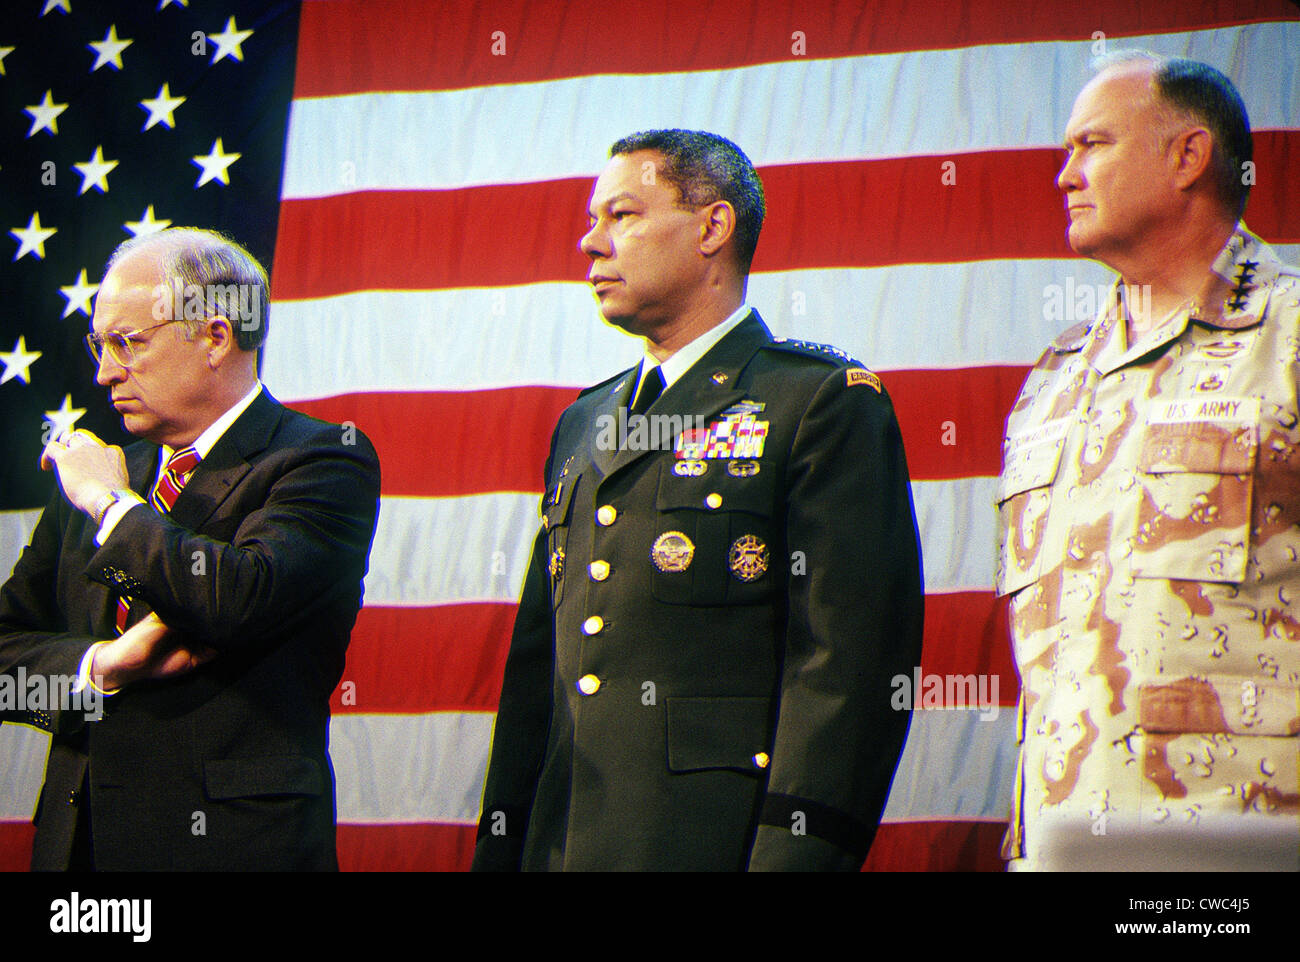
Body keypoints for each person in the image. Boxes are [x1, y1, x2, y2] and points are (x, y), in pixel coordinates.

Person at [471, 129, 923, 871]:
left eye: (621, 215)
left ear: (713, 227)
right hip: (564, 843)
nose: (591, 243)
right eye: (593, 221)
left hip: (715, 843)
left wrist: (794, 859)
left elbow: (848, 669)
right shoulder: (584, 422)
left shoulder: (815, 402)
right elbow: (538, 672)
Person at [997, 53, 1300, 870]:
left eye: (1092, 144)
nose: (1066, 175)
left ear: (1189, 157)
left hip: (1241, 848)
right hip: (1066, 842)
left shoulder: (1291, 337)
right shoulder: (1054, 381)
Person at [0, 228, 381, 870]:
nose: (104, 371)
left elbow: (238, 597)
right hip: (79, 852)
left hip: (232, 850)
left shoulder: (320, 459)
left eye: (129, 343)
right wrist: (100, 667)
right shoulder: (106, 467)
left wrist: (112, 507)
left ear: (214, 336)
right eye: (100, 344)